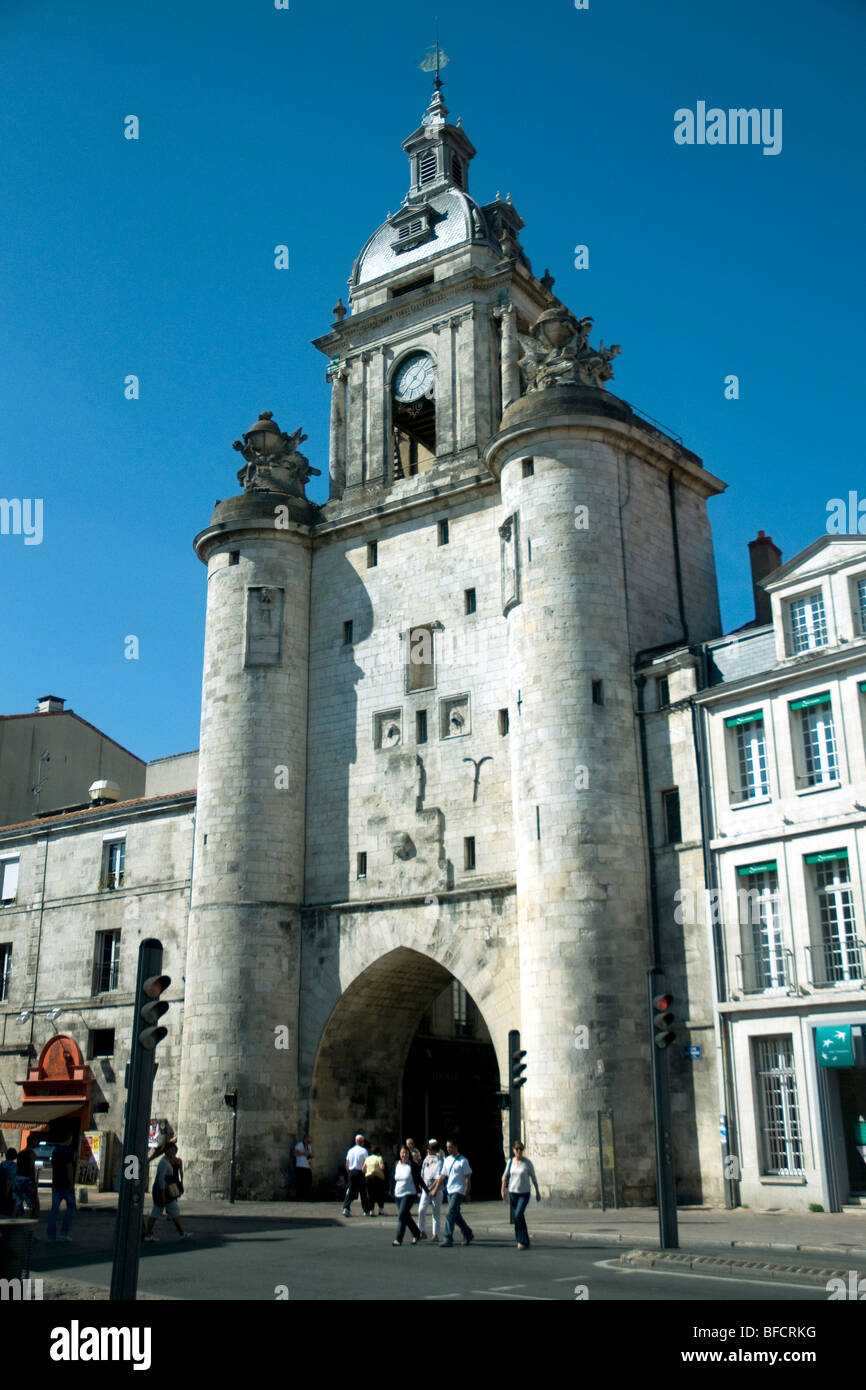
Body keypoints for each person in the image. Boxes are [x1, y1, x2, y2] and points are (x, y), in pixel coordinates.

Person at [143, 1141, 191, 1241]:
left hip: (166, 1191)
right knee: (156, 1212)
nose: (173, 1153)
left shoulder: (168, 1161)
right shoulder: (163, 1163)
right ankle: (148, 1234)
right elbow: (161, 1179)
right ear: (166, 1151)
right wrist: (163, 1194)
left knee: (173, 1211)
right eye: (171, 1150)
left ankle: (181, 1233)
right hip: (162, 1191)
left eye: (174, 1151)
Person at [501, 1140, 541, 1250]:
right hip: (513, 1193)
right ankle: (522, 1240)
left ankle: (522, 1240)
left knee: (518, 1215)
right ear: (513, 1150)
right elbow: (505, 1177)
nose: (519, 1151)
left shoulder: (527, 1163)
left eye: (521, 1149)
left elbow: (533, 1177)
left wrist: (537, 1192)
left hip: (524, 1193)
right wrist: (502, 1190)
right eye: (517, 1149)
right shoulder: (510, 1162)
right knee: (518, 1217)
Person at [435, 1138, 473, 1248]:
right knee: (455, 1216)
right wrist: (435, 1189)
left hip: (459, 1190)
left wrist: (467, 1192)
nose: (448, 1149)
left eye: (450, 1147)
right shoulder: (447, 1160)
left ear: (456, 1147)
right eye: (447, 1147)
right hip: (450, 1190)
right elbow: (442, 1176)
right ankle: (468, 1233)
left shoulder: (463, 1161)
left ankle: (448, 1238)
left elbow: (467, 1178)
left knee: (450, 1212)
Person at [46, 1131, 77, 1242]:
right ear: (68, 1138)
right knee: (71, 1207)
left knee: (54, 1210)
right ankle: (63, 1233)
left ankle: (51, 1235)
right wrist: (71, 1183)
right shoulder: (68, 1151)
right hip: (65, 1184)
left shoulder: (55, 1151)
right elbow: (69, 1168)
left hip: (56, 1183)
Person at [391, 1145, 424, 1246]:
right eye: (402, 1153)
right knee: (406, 1216)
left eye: (406, 1153)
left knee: (402, 1215)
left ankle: (398, 1239)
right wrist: (390, 1191)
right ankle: (417, 1233)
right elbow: (392, 1179)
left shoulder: (412, 1165)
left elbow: (419, 1179)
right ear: (400, 1154)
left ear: (409, 1154)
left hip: (410, 1193)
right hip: (398, 1194)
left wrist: (426, 1190)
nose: (404, 1155)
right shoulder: (396, 1164)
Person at [417, 1139, 444, 1242]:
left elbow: (438, 1177)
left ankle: (435, 1234)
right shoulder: (426, 1159)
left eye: (430, 1148)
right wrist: (421, 1184)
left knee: (435, 1212)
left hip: (436, 1188)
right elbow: (423, 1173)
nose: (428, 1150)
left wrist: (432, 1187)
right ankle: (422, 1230)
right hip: (425, 1188)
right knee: (421, 1209)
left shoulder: (439, 1160)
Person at [342, 1133, 370, 1217]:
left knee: (350, 1190)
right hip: (360, 1172)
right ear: (362, 1142)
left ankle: (346, 1208)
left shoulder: (350, 1150)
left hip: (351, 1171)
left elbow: (347, 1163)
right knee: (363, 1192)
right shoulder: (364, 1151)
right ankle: (366, 1210)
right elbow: (366, 1163)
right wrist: (365, 1172)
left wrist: (348, 1172)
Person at [15, 1134, 40, 1218]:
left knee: (19, 1197)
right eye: (35, 1142)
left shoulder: (20, 1153)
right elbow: (31, 1168)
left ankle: (16, 1214)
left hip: (18, 1177)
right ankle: (34, 1214)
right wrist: (33, 1180)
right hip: (27, 1178)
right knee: (34, 1198)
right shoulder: (31, 1154)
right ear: (33, 1142)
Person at [364, 1143, 386, 1216]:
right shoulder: (379, 1158)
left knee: (370, 1194)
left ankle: (371, 1211)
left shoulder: (367, 1158)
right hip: (377, 1177)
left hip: (368, 1177)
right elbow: (382, 1167)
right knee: (379, 1194)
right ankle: (381, 1209)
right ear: (378, 1152)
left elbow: (363, 1169)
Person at [294, 1134, 312, 1200]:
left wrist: (310, 1155)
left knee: (308, 1182)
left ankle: (306, 1196)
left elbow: (309, 1156)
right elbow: (295, 1153)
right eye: (309, 1138)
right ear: (305, 1139)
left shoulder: (309, 1146)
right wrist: (303, 1153)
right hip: (300, 1167)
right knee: (300, 1182)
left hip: (307, 1167)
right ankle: (300, 1197)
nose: (310, 1140)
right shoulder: (299, 1145)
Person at [0, 1148, 17, 1217]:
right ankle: (12, 1214)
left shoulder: (3, 1164)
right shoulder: (16, 1166)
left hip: (3, 1186)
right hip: (13, 1186)